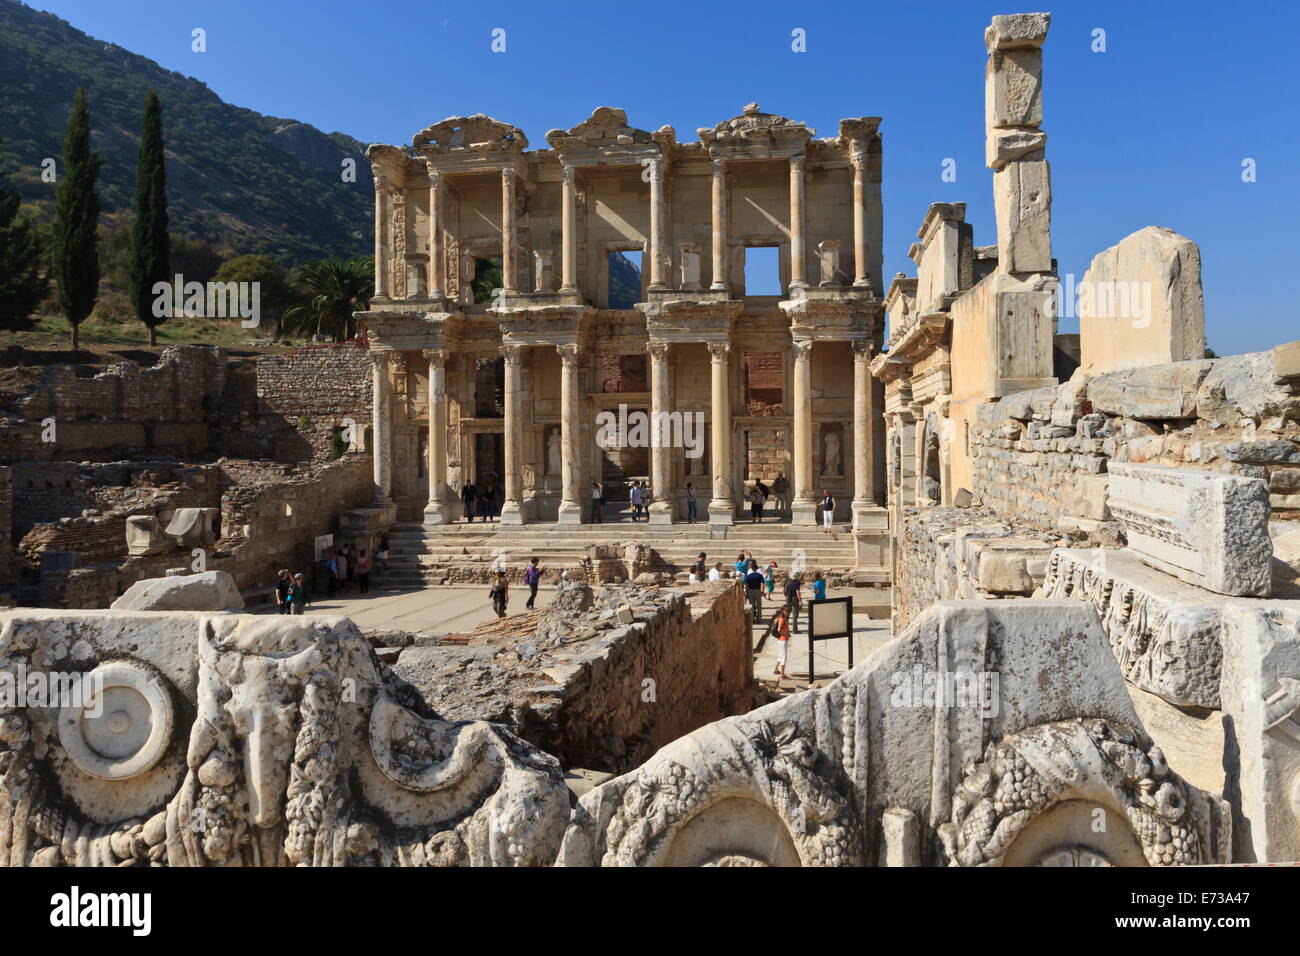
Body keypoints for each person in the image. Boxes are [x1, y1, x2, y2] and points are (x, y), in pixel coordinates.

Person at [771, 604, 791, 679]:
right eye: (786, 611)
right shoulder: (782, 619)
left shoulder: (782, 617)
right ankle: (782, 675)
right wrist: (785, 635)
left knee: (780, 655)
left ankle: (776, 669)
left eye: (789, 611)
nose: (788, 612)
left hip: (781, 640)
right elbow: (779, 629)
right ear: (783, 611)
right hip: (783, 640)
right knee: (784, 657)